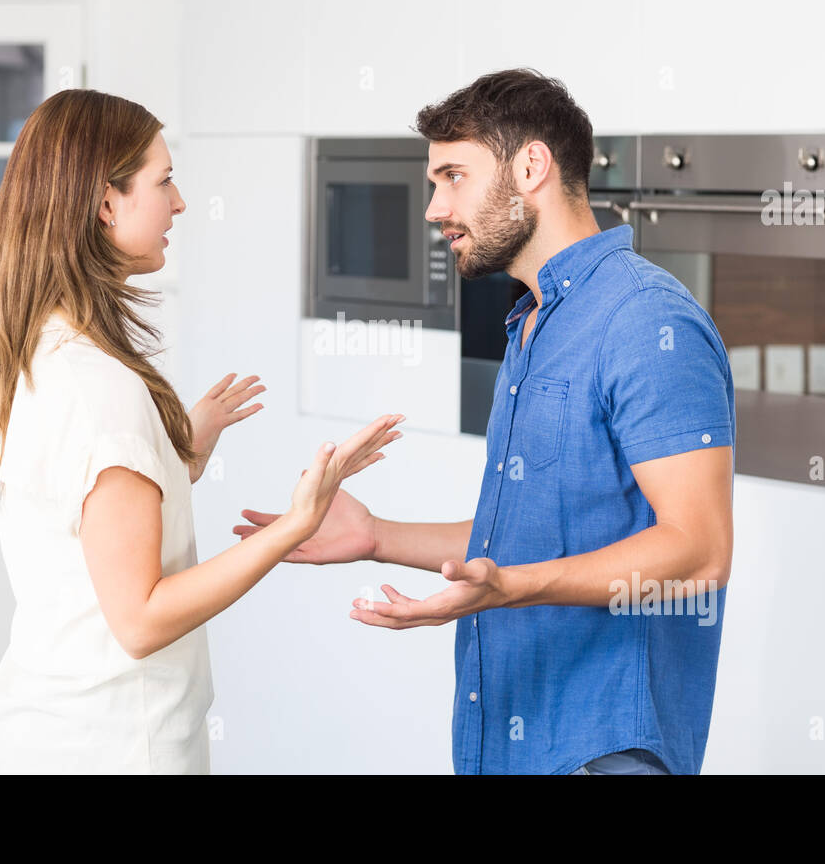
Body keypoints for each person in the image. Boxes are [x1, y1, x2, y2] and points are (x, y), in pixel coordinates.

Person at [237, 68, 735, 776]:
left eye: (453, 176)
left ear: (531, 165)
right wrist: (377, 537)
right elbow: (520, 540)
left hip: (601, 751)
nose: (435, 207)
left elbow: (701, 552)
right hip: (507, 735)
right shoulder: (534, 322)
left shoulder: (646, 320)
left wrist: (516, 588)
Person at [0, 88, 402, 774]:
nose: (180, 203)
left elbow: (86, 516)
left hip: (48, 733)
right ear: (106, 203)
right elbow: (140, 620)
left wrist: (175, 455)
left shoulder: (29, 353)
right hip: (119, 748)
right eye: (163, 180)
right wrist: (298, 521)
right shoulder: (102, 391)